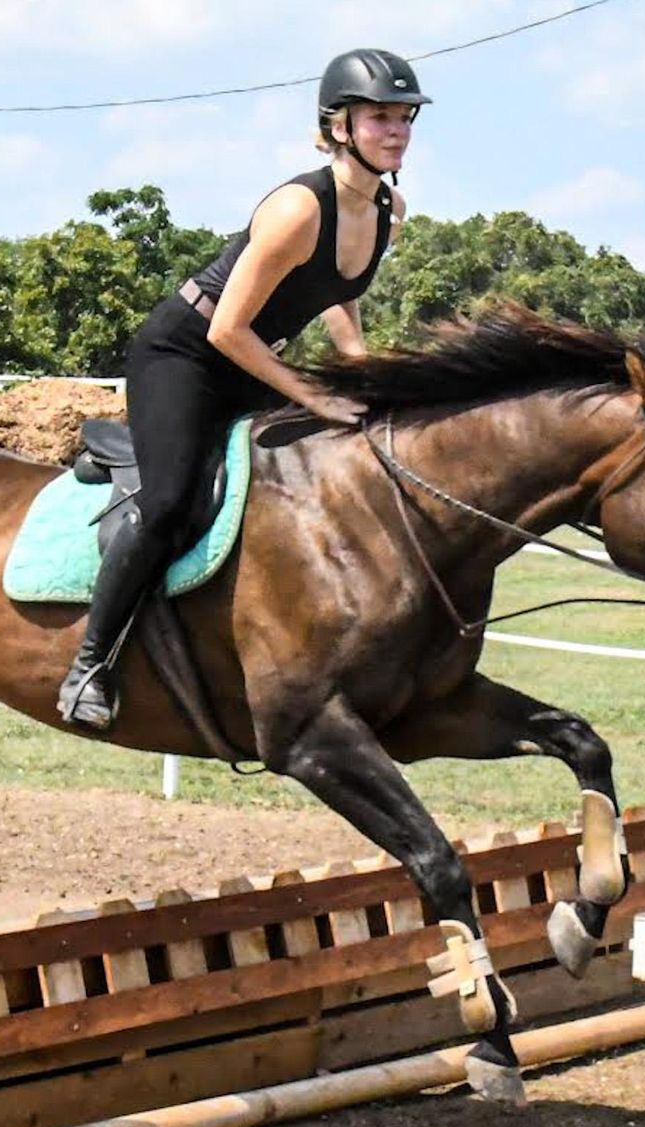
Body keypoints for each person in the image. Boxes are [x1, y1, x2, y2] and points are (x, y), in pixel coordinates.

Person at [58, 47, 430, 729]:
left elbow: (333, 292)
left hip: (251, 360)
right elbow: (227, 328)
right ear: (340, 125)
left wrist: (364, 370)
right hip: (185, 353)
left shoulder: (386, 211)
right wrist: (313, 394)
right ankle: (89, 664)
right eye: (381, 117)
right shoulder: (296, 208)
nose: (398, 129)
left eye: (405, 118)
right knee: (170, 501)